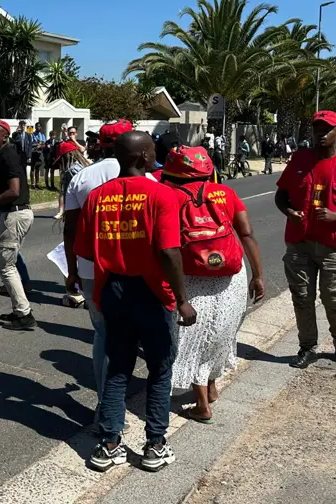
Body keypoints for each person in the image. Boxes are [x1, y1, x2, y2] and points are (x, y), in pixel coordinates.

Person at [74, 131, 196, 473]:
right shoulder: (162, 194)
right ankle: (155, 444)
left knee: (117, 369)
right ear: (144, 156)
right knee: (160, 368)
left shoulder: (97, 197)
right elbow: (169, 251)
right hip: (153, 293)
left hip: (111, 290)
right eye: (153, 150)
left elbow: (83, 249)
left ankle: (109, 443)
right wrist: (182, 299)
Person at [160, 146, 266, 422]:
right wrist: (258, 274)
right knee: (220, 333)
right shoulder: (226, 193)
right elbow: (247, 233)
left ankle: (202, 404)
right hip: (232, 276)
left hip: (190, 278)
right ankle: (212, 387)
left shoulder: (168, 196)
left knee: (192, 339)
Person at [275, 110, 336, 369]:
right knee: (302, 298)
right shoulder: (299, 160)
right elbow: (281, 196)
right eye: (316, 129)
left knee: (333, 298)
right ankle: (307, 347)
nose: (320, 134)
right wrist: (289, 212)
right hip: (300, 243)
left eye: (326, 129)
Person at [62, 119, 135, 408]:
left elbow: (70, 230)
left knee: (104, 333)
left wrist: (71, 271)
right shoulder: (147, 176)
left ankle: (108, 404)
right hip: (136, 268)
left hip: (90, 267)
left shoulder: (83, 177)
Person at [0, 120, 36, 330]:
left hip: (15, 214)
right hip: (12, 214)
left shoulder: (8, 154)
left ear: (4, 136)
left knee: (6, 266)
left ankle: (24, 314)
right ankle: (19, 310)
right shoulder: (3, 154)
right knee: (6, 264)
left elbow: (13, 191)